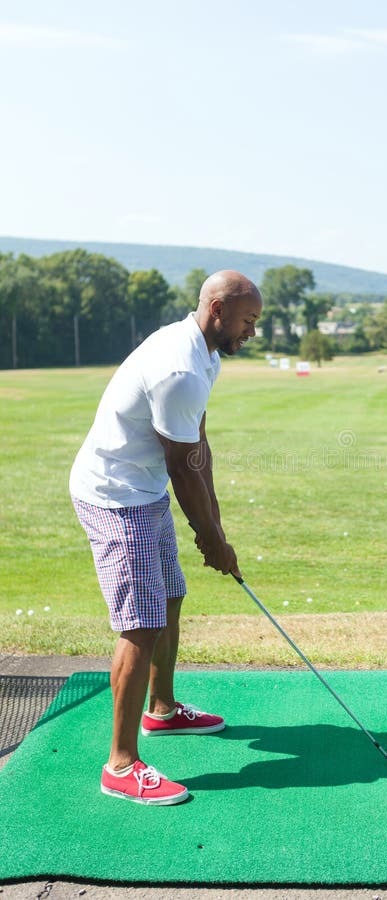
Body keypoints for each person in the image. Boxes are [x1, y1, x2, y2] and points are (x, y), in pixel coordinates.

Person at [70, 270, 262, 805]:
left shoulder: (207, 355)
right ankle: (121, 765)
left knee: (170, 595)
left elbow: (198, 444)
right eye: (248, 321)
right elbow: (182, 469)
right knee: (142, 621)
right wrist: (210, 540)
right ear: (218, 309)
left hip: (144, 487)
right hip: (115, 494)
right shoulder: (180, 367)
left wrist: (217, 526)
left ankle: (162, 710)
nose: (252, 332)